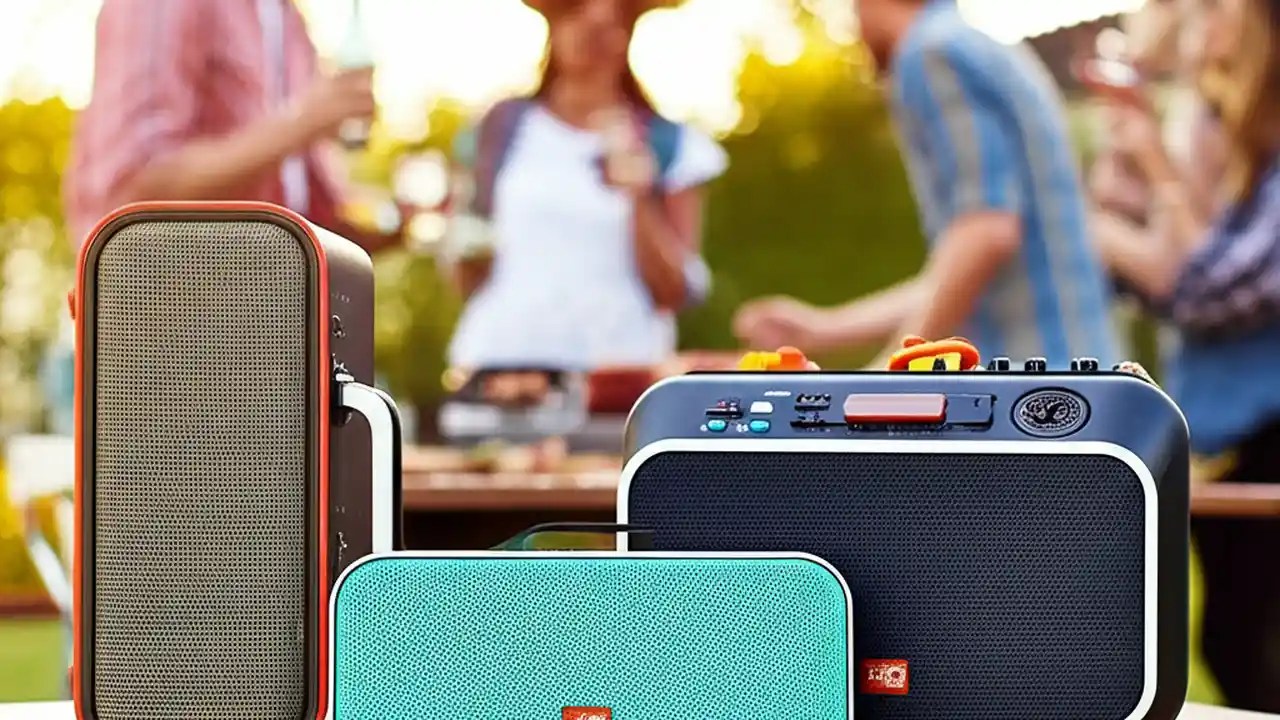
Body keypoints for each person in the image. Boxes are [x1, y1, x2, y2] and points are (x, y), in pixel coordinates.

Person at [735, 0, 1119, 370]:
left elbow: (985, 232)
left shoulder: (931, 52)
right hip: (1077, 377)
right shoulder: (977, 46)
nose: (853, 30)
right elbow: (968, 265)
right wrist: (824, 327)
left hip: (1035, 389)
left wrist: (885, 373)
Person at [1094, 0, 1280, 710]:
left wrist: (1148, 168)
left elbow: (1202, 286)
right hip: (1226, 430)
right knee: (1226, 643)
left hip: (1265, 434)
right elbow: (1163, 273)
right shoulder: (1229, 142)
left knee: (1250, 647)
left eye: (1218, 10)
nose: (1206, 26)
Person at [443, 0, 726, 371]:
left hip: (619, 377)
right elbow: (465, 267)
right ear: (553, 23)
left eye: (610, 16)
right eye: (574, 8)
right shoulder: (498, 130)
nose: (592, 20)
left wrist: (638, 198)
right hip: (500, 367)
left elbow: (676, 291)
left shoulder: (668, 144)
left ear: (627, 30)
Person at [64, 0, 401, 252]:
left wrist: (401, 219)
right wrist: (305, 122)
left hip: (269, 324)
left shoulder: (288, 21)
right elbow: (134, 186)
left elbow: (304, 218)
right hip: (171, 327)